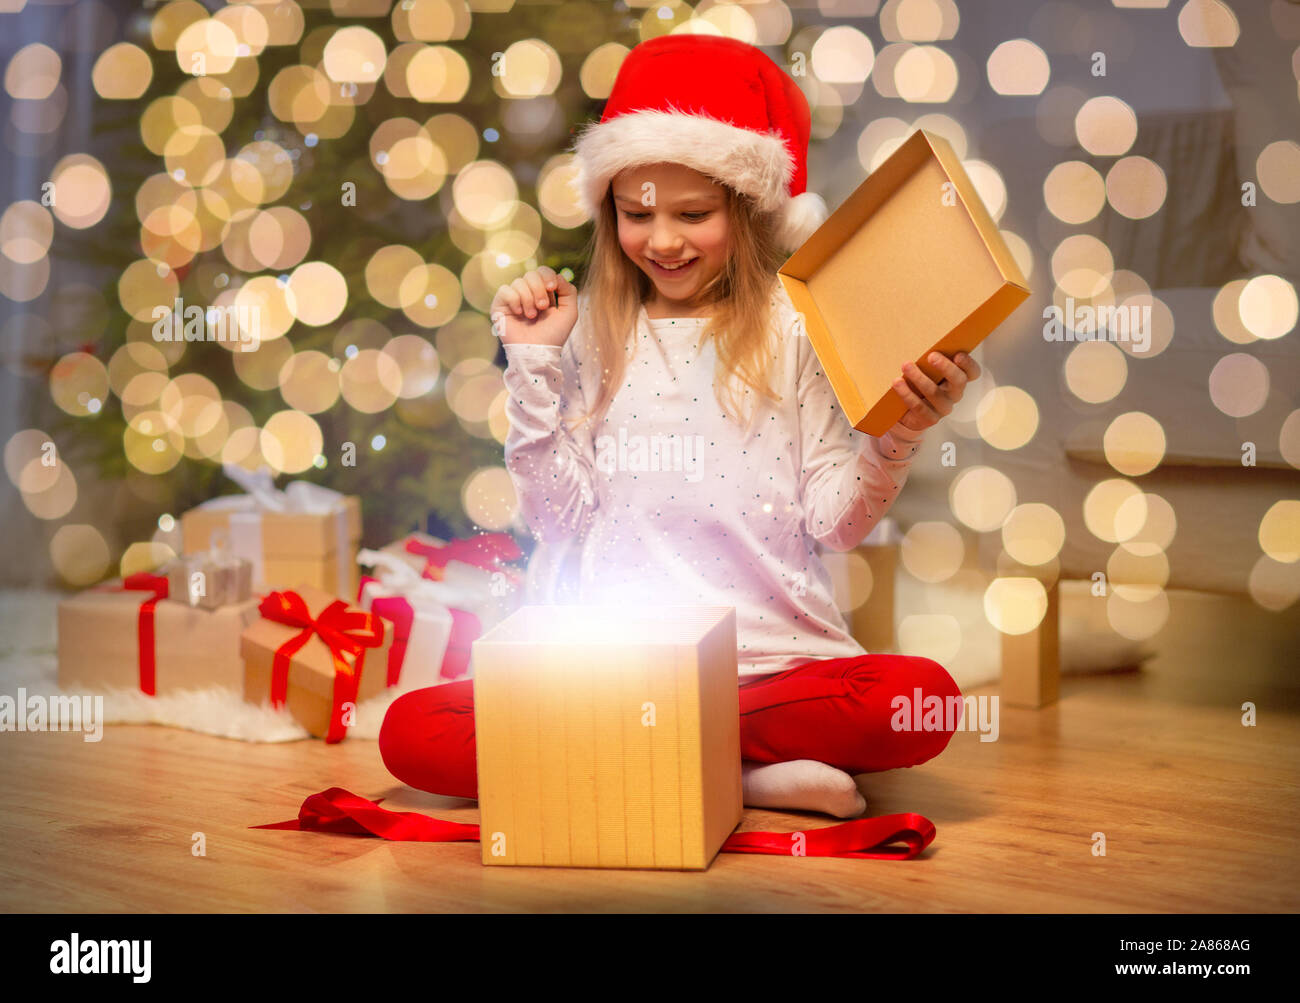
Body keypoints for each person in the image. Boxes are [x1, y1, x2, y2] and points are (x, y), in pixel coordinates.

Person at [379, 34, 982, 819]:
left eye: (694, 213)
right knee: (413, 732)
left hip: (766, 663)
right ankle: (739, 776)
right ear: (610, 212)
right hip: (617, 668)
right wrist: (532, 365)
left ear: (748, 208)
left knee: (919, 701)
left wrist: (896, 430)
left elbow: (837, 525)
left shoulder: (796, 327)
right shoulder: (592, 330)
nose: (662, 241)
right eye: (638, 213)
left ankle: (649, 762)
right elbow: (557, 517)